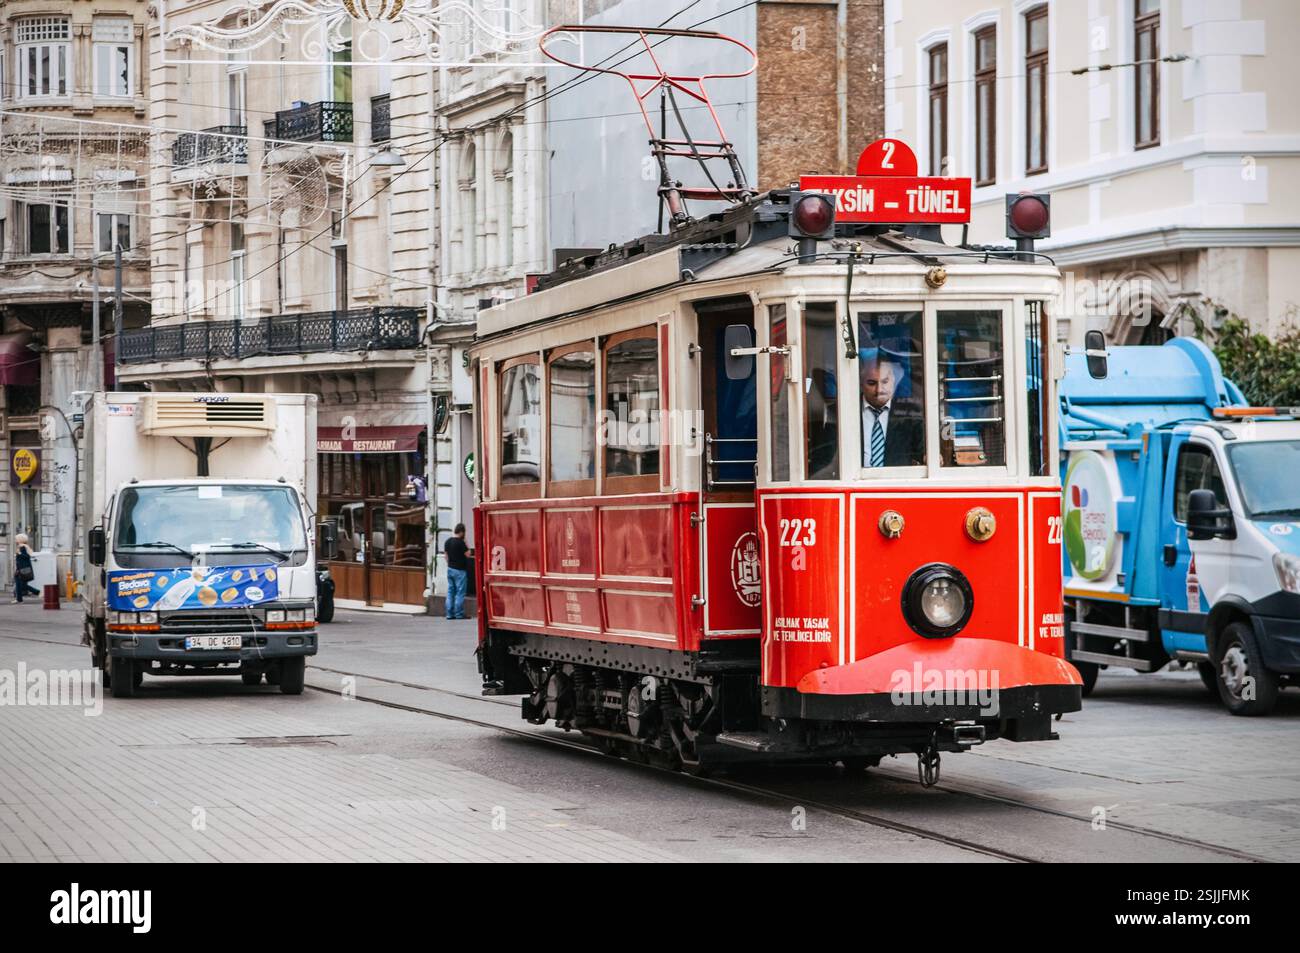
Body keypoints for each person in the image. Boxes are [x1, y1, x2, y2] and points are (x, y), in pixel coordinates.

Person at [860, 351, 925, 468]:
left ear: (894, 380)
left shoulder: (911, 412)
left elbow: (923, 452)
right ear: (860, 383)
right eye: (871, 383)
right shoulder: (843, 412)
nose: (879, 390)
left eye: (885, 381)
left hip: (896, 483)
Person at [443, 524, 470, 621]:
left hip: (450, 569)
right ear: (462, 532)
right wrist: (466, 543)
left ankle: (449, 614)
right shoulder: (461, 543)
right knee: (460, 592)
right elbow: (468, 554)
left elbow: (446, 556)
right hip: (460, 571)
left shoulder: (448, 541)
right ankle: (459, 614)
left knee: (450, 592)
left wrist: (450, 564)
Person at [12, 533, 39, 604]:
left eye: (16, 539)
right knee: (19, 584)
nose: (15, 540)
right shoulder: (21, 546)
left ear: (20, 540)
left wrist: (19, 553)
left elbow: (27, 556)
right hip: (20, 569)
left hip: (22, 569)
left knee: (22, 585)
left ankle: (37, 592)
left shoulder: (22, 547)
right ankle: (19, 599)